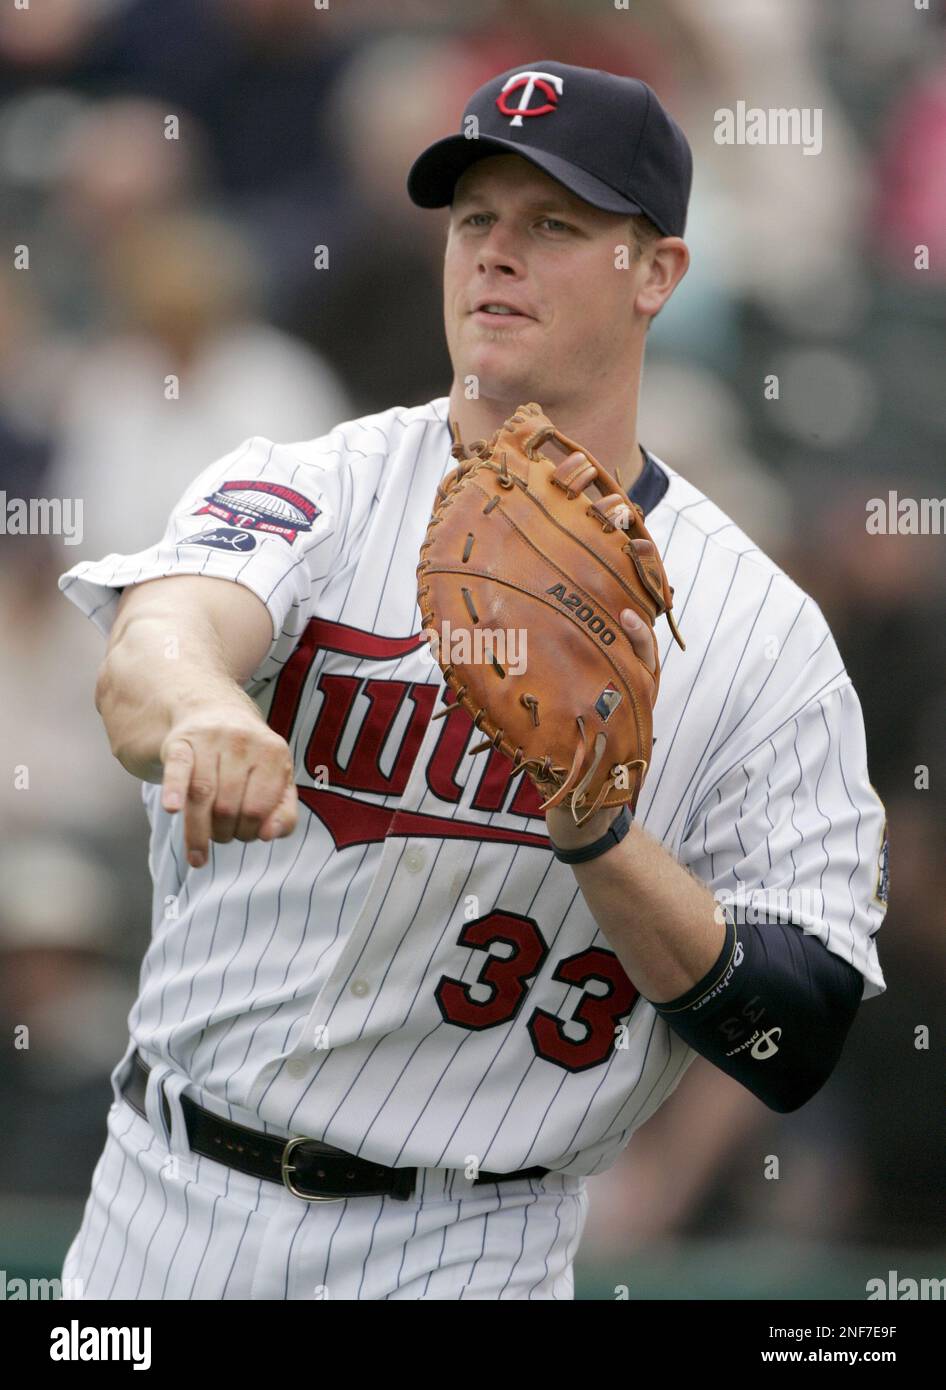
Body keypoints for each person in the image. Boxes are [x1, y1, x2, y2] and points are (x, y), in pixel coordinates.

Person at [57, 60, 887, 1301]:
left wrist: (599, 832)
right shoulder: (318, 483)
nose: (495, 255)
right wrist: (211, 711)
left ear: (656, 273)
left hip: (468, 1248)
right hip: (164, 1213)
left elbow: (795, 1032)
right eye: (475, 221)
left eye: (554, 225)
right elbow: (154, 648)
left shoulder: (759, 633)